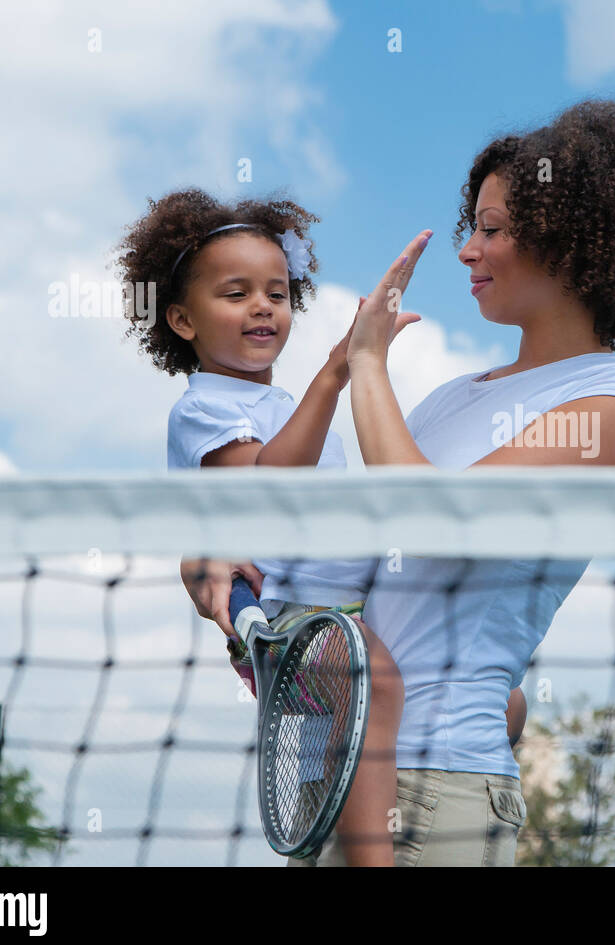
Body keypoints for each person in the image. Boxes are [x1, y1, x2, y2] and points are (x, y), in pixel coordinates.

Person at [183, 99, 615, 865]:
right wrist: (220, 565)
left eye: (493, 229)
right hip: (345, 778)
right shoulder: (447, 401)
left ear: (568, 237)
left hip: (439, 793)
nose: (468, 250)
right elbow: (353, 565)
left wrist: (364, 362)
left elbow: (434, 519)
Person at [119, 188, 412, 866]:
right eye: (237, 293)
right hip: (290, 622)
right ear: (183, 320)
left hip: (345, 606)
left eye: (277, 294)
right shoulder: (203, 407)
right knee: (382, 685)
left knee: (506, 705)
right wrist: (337, 374)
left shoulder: (281, 402)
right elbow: (269, 480)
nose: (263, 307)